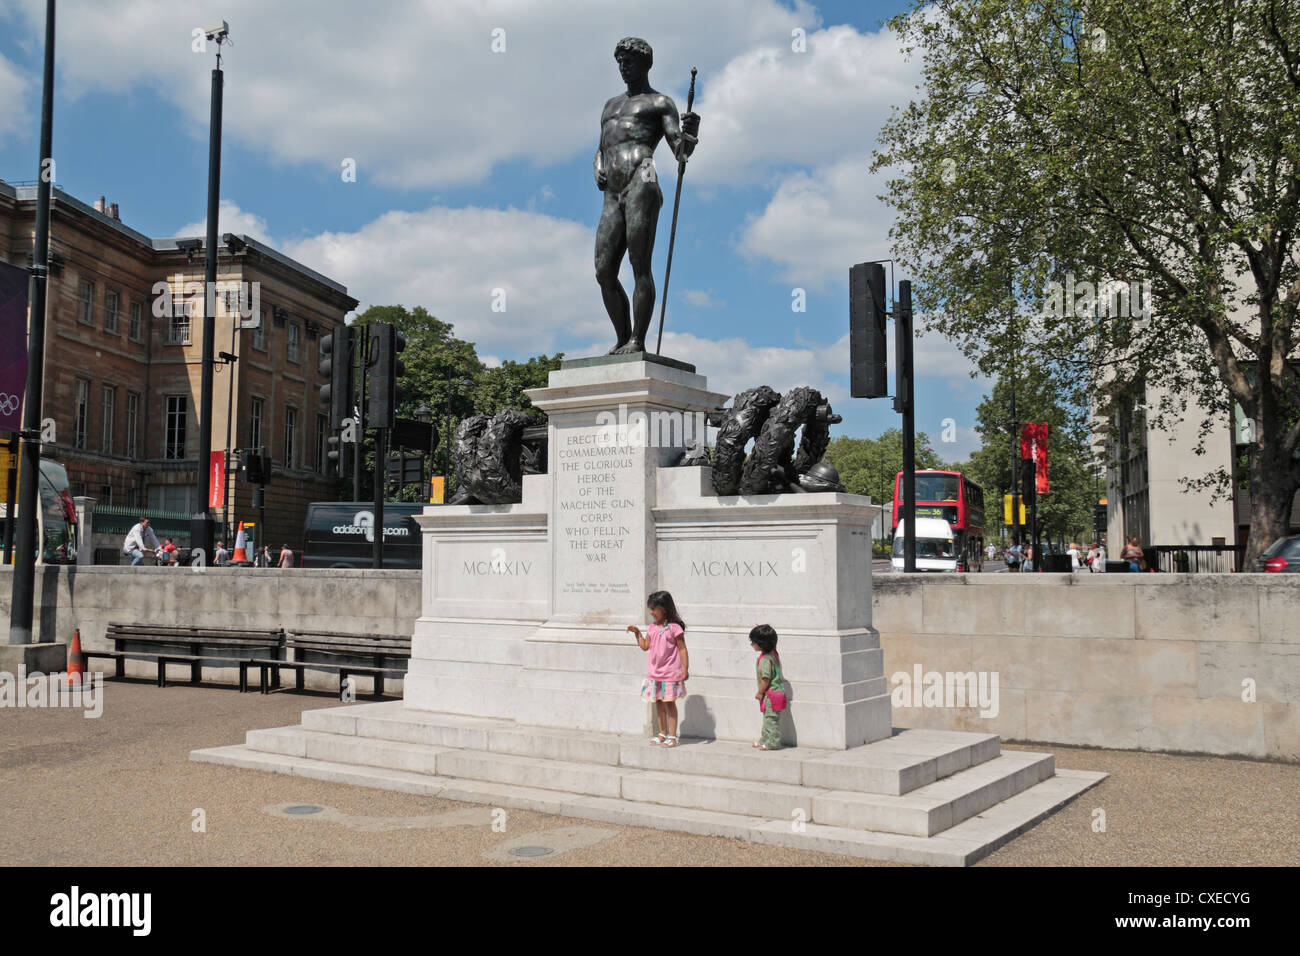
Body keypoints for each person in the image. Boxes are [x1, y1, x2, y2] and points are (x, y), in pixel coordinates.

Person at [593, 37, 700, 354]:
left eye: (629, 62)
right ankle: (623, 337)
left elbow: (679, 149)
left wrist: (691, 132)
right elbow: (601, 148)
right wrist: (597, 165)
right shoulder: (610, 106)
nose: (624, 68)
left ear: (645, 64)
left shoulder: (659, 103)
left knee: (639, 263)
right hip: (612, 190)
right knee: (603, 271)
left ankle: (637, 340)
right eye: (620, 62)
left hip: (643, 177)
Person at [627, 590, 688, 748]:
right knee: (658, 703)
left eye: (654, 609)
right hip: (655, 674)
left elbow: (682, 649)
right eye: (650, 609)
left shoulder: (675, 628)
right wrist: (638, 634)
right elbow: (645, 646)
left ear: (664, 608)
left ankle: (673, 736)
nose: (651, 612)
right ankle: (662, 733)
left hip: (670, 673)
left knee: (669, 704)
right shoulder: (652, 628)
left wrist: (685, 668)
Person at [750, 624, 788, 751]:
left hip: (772, 694)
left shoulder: (765, 659)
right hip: (775, 694)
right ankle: (765, 739)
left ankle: (773, 742)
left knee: (771, 720)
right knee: (767, 718)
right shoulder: (773, 654)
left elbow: (766, 678)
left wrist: (760, 692)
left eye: (753, 642)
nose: (752, 645)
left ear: (761, 644)